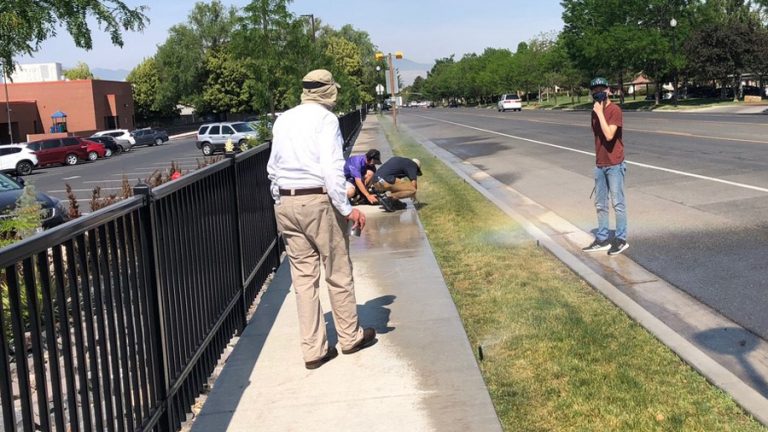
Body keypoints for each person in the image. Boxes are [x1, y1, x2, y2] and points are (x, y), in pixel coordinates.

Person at [267, 69, 376, 370]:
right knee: (338, 271)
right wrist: (346, 208)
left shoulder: (283, 119)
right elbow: (331, 167)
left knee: (303, 280)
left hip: (286, 202)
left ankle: (313, 350)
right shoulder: (326, 120)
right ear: (328, 91)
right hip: (319, 200)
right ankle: (350, 336)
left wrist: (279, 198)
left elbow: (272, 166)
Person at [582, 77, 629, 256]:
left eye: (601, 89)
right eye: (594, 90)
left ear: (608, 90)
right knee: (600, 204)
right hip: (600, 163)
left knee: (618, 203)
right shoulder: (594, 112)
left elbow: (609, 135)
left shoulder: (614, 110)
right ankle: (602, 238)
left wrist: (600, 113)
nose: (598, 92)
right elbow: (597, 136)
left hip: (615, 164)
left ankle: (621, 239)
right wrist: (597, 112)